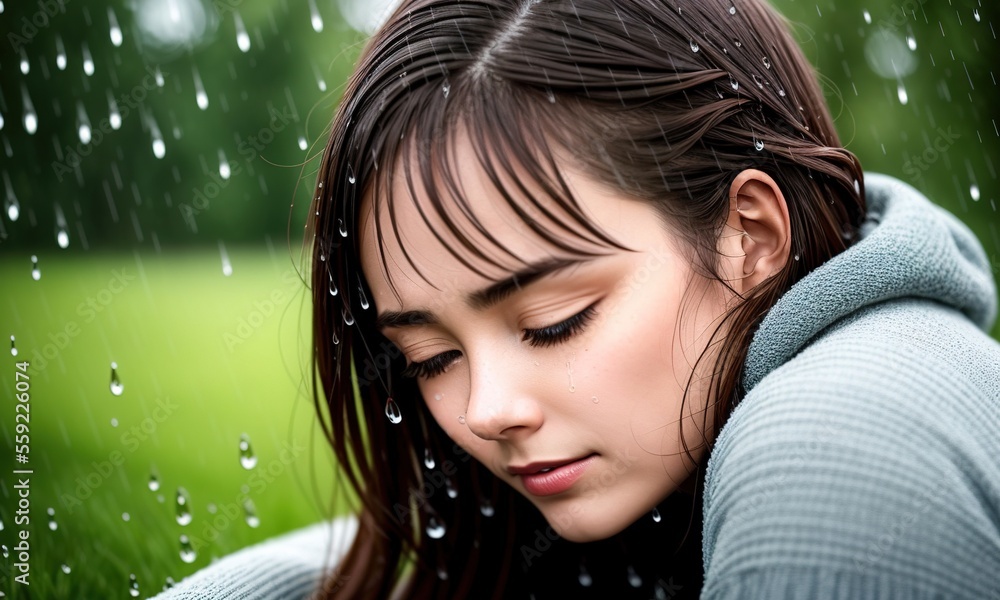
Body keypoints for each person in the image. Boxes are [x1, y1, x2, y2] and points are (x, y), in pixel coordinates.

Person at [154, 0, 1000, 598]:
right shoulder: (653, 454)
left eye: (552, 322)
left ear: (750, 236)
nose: (486, 410)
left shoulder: (834, 448)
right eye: (430, 357)